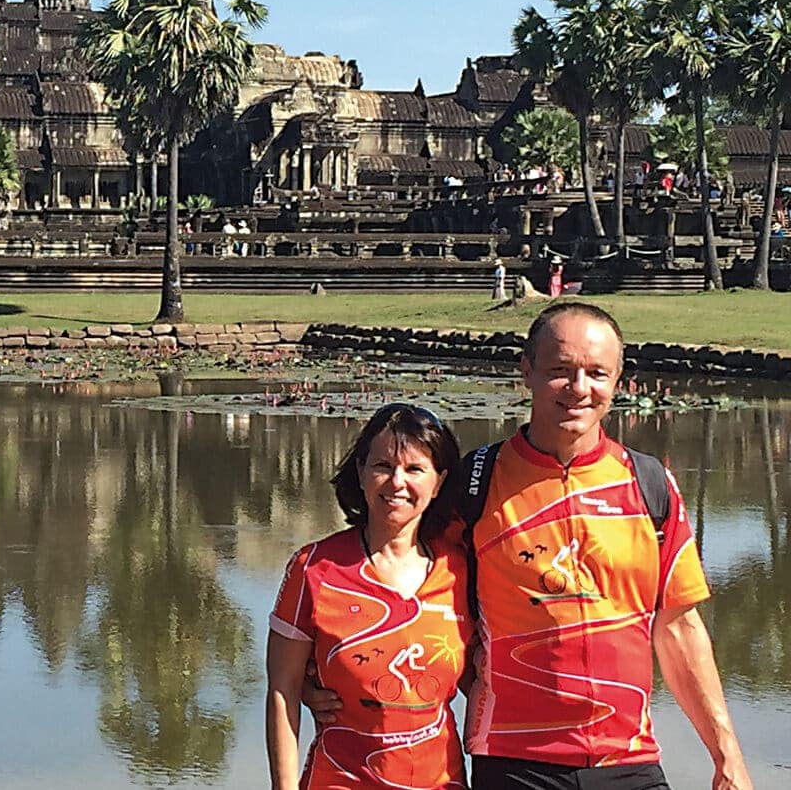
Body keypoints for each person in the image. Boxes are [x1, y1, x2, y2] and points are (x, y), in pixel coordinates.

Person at [304, 302, 754, 789]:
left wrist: (726, 753)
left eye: (597, 373)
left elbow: (680, 628)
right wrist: (322, 672)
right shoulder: (474, 485)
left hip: (629, 759)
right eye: (560, 371)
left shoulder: (650, 485)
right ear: (527, 371)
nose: (579, 389)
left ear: (619, 380)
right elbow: (398, 583)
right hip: (514, 759)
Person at [267, 404, 470, 790]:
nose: (396, 483)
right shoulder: (314, 568)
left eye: (414, 469)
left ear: (439, 481)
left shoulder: (462, 569)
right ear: (360, 472)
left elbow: (486, 681)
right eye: (382, 466)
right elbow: (283, 689)